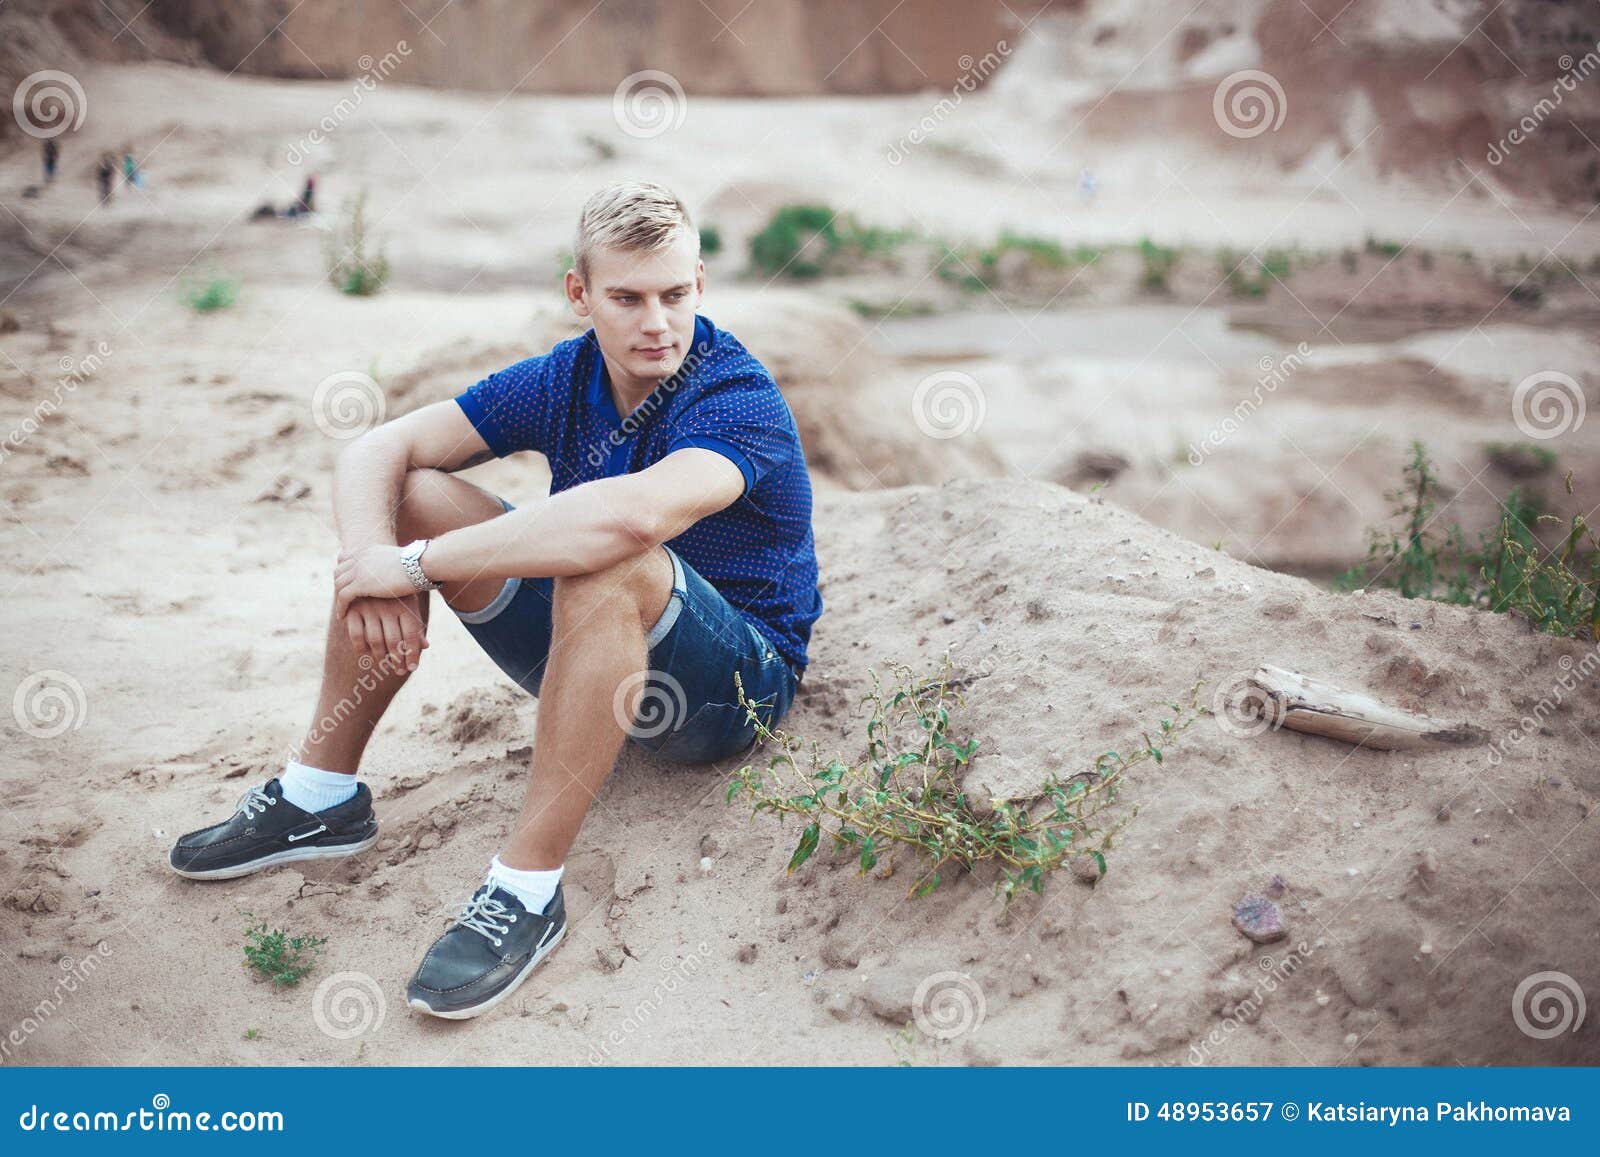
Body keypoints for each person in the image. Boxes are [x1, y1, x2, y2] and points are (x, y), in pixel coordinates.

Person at [166, 181, 822, 1020]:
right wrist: (376, 556)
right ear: (579, 294)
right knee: (415, 493)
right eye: (626, 298)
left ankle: (525, 890)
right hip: (596, 654)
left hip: (733, 691)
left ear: (701, 283)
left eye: (675, 294)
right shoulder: (567, 376)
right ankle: (319, 796)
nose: (656, 321)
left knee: (609, 556)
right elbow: (381, 445)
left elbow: (631, 516)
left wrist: (412, 569)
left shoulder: (736, 396)